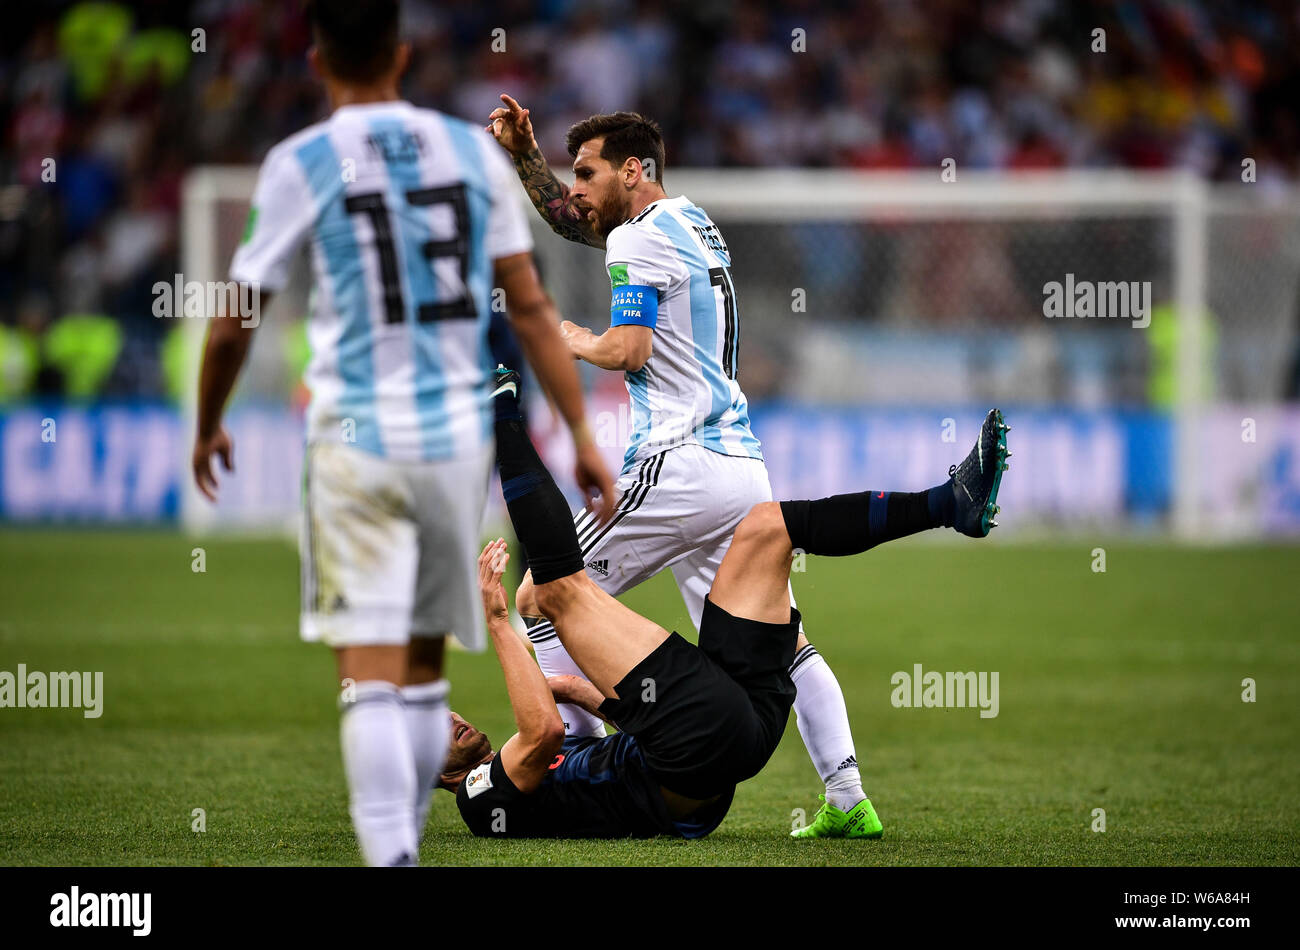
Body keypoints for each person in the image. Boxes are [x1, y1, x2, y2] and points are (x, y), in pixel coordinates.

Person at [191, 0, 614, 866]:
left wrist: (207, 423)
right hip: (455, 440)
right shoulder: (466, 152)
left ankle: (393, 858)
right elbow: (530, 308)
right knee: (422, 665)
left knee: (368, 669)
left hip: (353, 437)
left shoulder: (300, 160)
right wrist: (580, 431)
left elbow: (237, 313)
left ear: (316, 61)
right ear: (404, 54)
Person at [487, 95, 896, 836]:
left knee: (543, 597)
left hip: (680, 466)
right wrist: (525, 152)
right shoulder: (689, 221)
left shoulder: (635, 241)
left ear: (634, 171)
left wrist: (565, 335)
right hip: (740, 464)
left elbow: (630, 350)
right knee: (781, 643)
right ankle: (846, 797)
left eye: (587, 172)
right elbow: (572, 218)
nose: (574, 189)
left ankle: (576, 761)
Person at [438, 368, 1010, 839]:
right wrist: (496, 623)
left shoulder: (523, 774)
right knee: (553, 589)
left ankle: (947, 503)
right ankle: (502, 412)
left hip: (737, 735)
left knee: (769, 529)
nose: (453, 720)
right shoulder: (476, 797)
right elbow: (543, 735)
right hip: (694, 749)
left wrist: (565, 686)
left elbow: (588, 733)